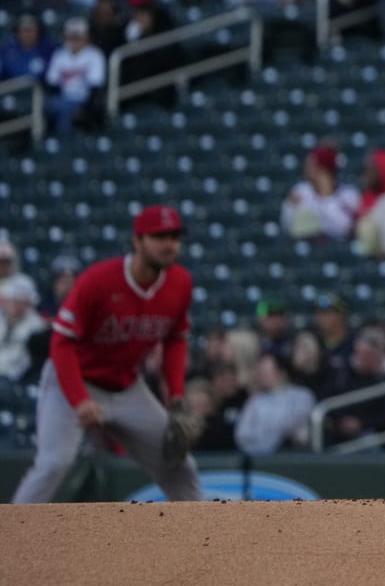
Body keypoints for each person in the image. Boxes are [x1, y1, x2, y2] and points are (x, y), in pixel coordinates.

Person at [11, 206, 201, 503]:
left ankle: (203, 530)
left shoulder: (181, 283)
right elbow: (61, 342)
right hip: (73, 380)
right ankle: (10, 530)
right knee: (53, 464)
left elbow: (176, 339)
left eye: (175, 237)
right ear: (137, 241)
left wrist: (176, 394)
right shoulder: (99, 280)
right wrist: (79, 399)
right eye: (160, 237)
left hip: (127, 388)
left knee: (180, 465)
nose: (169, 244)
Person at [234, 353, 315, 455]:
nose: (261, 375)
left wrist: (266, 431)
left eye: (265, 371)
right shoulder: (256, 401)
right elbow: (242, 434)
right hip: (257, 458)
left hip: (293, 455)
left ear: (281, 372)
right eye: (260, 371)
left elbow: (290, 426)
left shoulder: (302, 395)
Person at [280, 144, 361, 242]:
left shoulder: (349, 194)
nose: (307, 169)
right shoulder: (300, 191)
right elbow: (289, 227)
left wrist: (327, 197)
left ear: (325, 170)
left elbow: (346, 229)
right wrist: (292, 207)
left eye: (313, 166)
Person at [44, 18, 106, 137]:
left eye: (78, 37)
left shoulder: (94, 54)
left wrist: (84, 108)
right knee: (54, 105)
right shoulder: (60, 54)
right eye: (71, 37)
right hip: (64, 99)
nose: (75, 41)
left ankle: (66, 139)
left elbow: (95, 87)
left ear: (86, 37)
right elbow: (52, 83)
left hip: (85, 99)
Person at [0, 275, 48, 381]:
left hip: (16, 378)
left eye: (21, 303)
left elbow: (27, 361)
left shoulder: (36, 326)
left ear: (29, 304)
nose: (16, 306)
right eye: (13, 301)